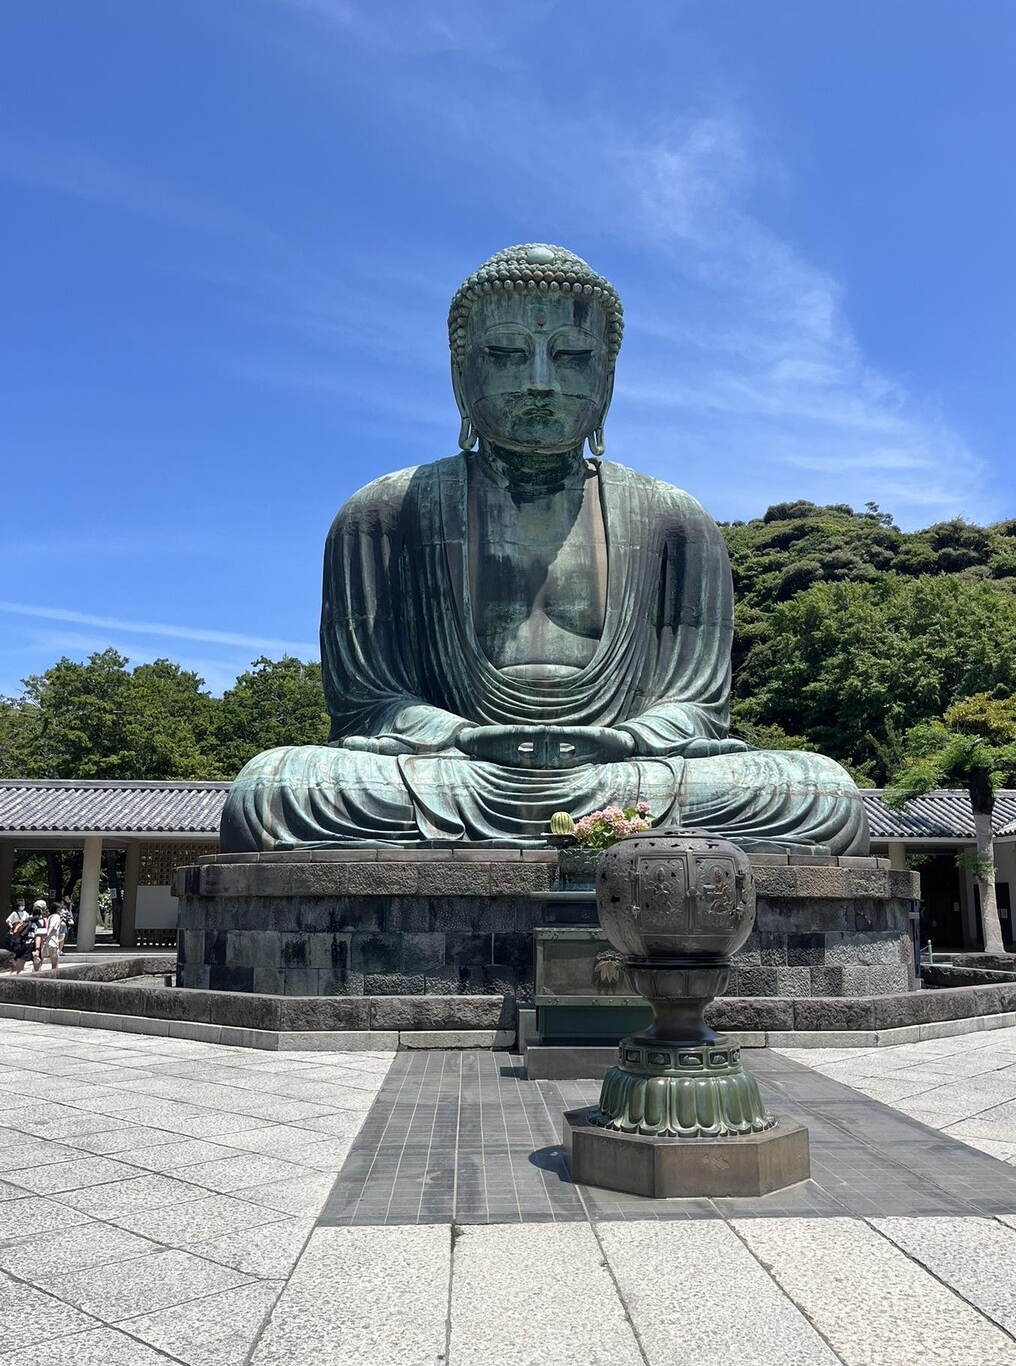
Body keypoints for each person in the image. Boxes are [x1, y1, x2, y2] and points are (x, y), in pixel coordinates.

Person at [221, 243, 868, 854]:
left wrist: (627, 739)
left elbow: (697, 706)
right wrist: (461, 735)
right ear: (460, 370)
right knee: (276, 789)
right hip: (454, 773)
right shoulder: (385, 512)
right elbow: (368, 704)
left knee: (818, 792)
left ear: (606, 375)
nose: (539, 382)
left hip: (629, 771)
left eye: (569, 357)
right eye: (505, 352)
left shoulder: (676, 519)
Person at [39, 901, 64, 972]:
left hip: (46, 942)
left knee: (41, 961)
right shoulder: (56, 916)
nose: (61, 910)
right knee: (54, 963)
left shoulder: (50, 916)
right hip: (52, 942)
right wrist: (47, 934)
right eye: (59, 909)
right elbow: (51, 927)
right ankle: (54, 977)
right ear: (56, 909)